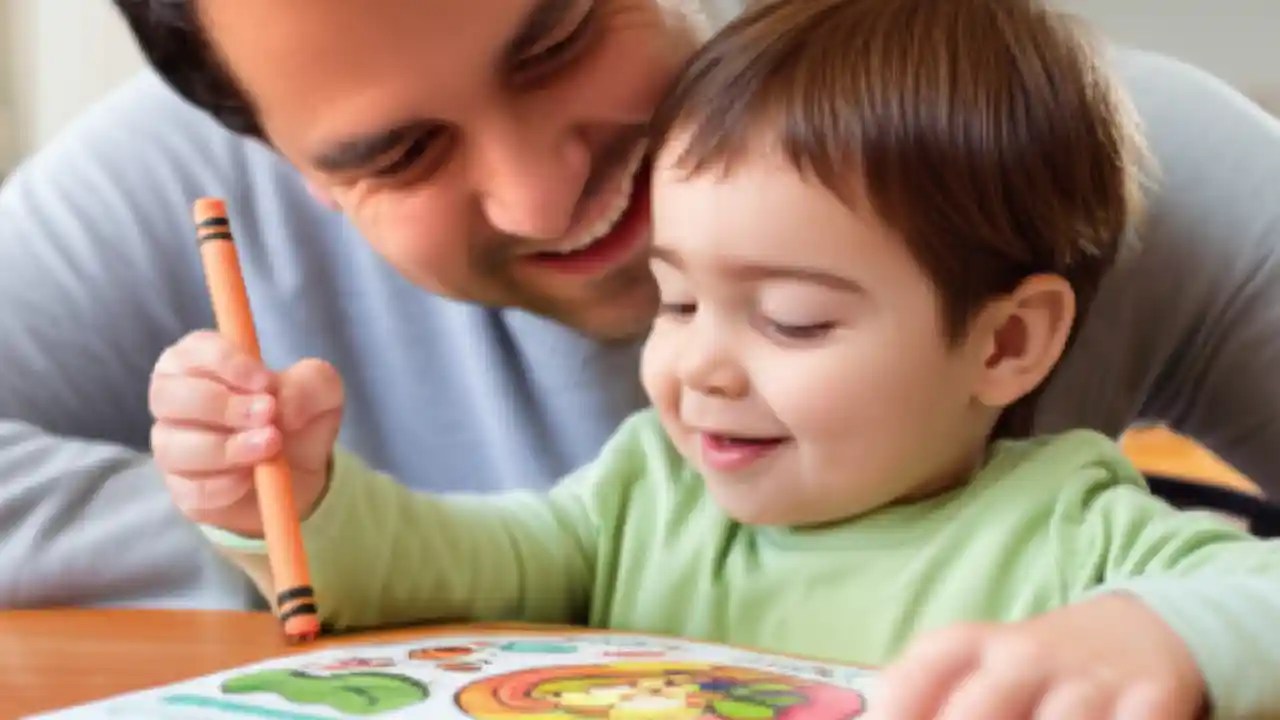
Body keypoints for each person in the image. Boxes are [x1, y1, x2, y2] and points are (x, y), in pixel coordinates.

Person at [154, 1, 1280, 717]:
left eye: (790, 320)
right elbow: (453, 569)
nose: (702, 370)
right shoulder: (650, 490)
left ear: (1004, 341)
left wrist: (1156, 632)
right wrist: (296, 500)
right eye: (677, 299)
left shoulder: (1068, 530)